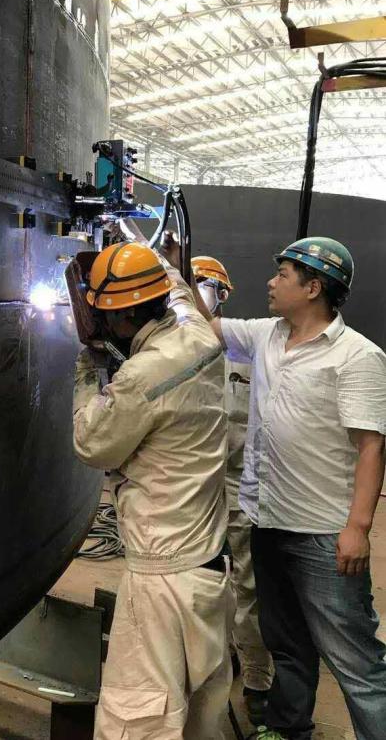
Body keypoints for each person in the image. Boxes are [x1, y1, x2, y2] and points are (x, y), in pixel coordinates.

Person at [200, 236, 386, 740]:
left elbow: (371, 447)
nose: (271, 281)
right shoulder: (265, 335)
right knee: (288, 646)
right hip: (268, 521)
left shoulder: (357, 356)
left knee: (356, 661)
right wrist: (178, 272)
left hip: (323, 534)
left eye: (282, 274)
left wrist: (358, 528)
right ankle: (287, 730)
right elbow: (204, 325)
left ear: (313, 286)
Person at [72, 241, 234, 740]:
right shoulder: (199, 336)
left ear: (118, 318)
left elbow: (91, 442)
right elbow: (179, 289)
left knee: (139, 716)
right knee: (203, 707)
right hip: (209, 564)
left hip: (163, 576)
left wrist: (88, 368)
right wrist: (148, 253)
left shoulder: (142, 375)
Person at [192, 256, 274, 726]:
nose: (201, 294)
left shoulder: (250, 349)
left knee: (248, 586)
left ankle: (259, 679)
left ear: (223, 294)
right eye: (193, 285)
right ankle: (215, 659)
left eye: (207, 286)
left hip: (244, 486)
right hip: (198, 488)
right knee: (202, 579)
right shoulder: (179, 349)